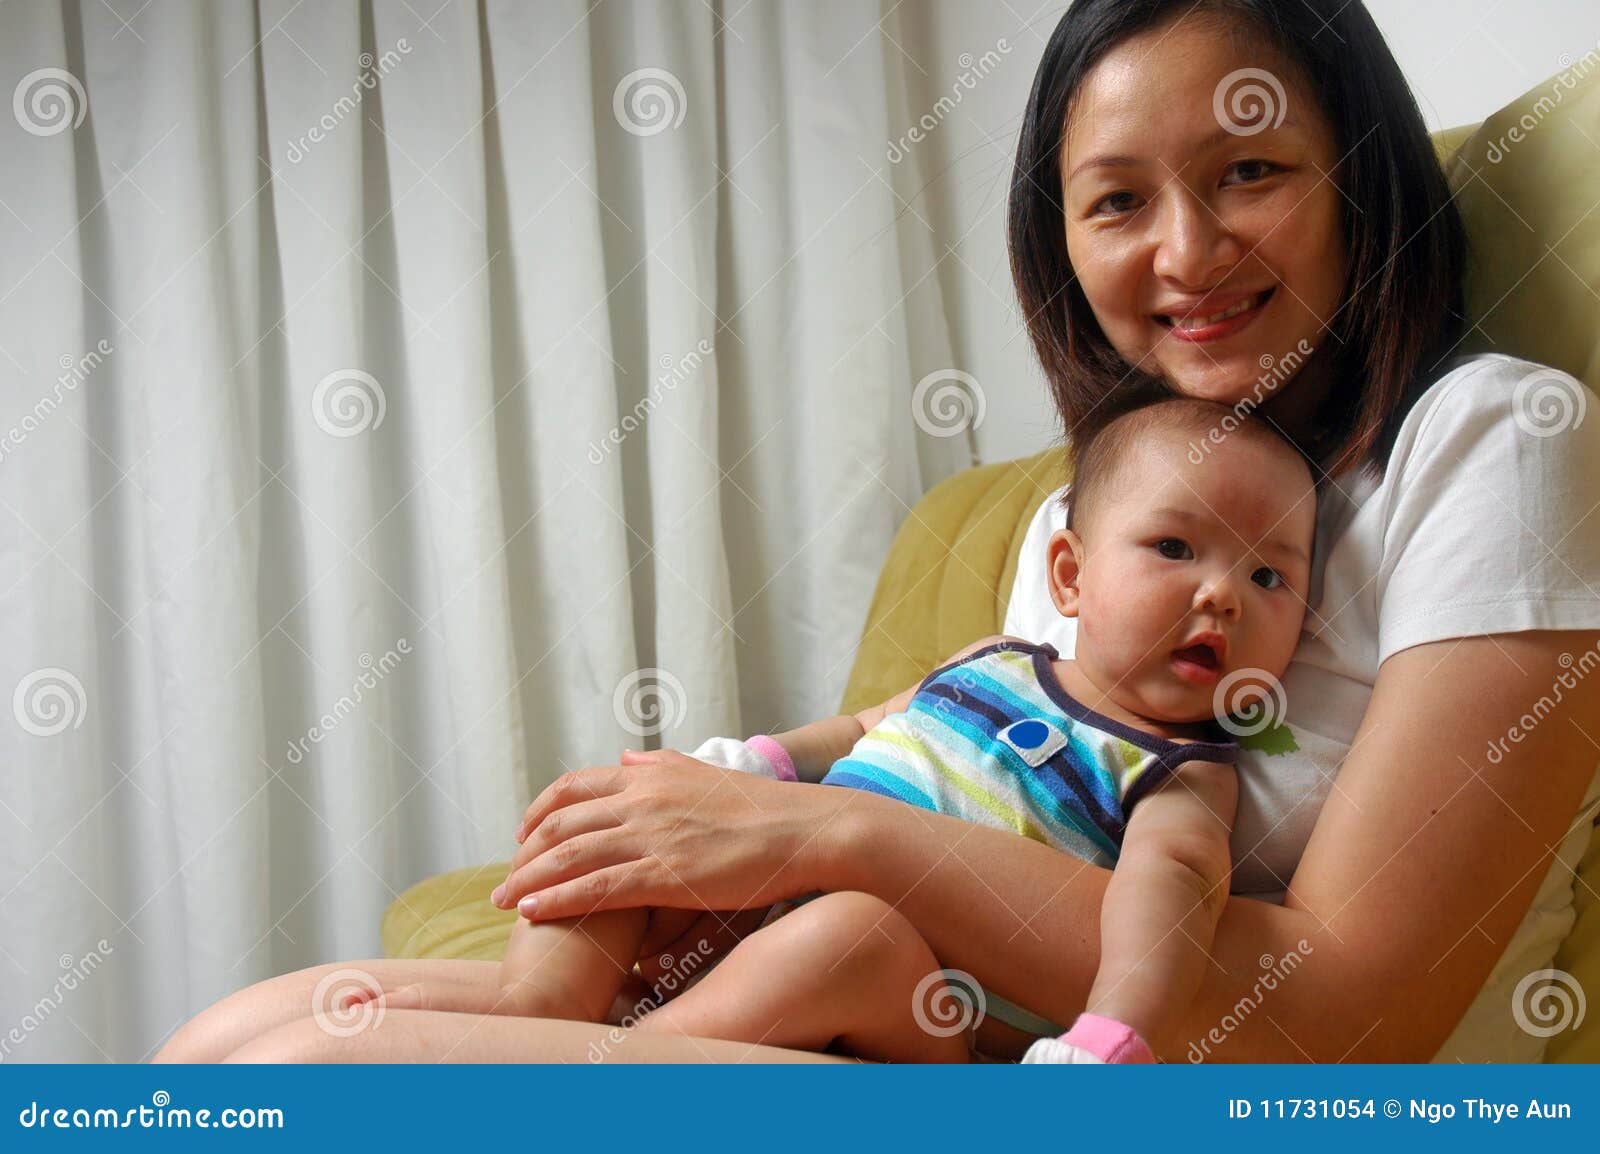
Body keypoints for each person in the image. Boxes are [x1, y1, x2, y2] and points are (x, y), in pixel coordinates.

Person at [156, 0, 1600, 1064]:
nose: (1181, 254)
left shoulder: (1490, 437)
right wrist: (727, 826)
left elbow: (1356, 1011)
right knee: (222, 1041)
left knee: (305, 1076)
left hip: (1128, 1068)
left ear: (1364, 176)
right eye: (1115, 201)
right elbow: (944, 743)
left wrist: (813, 833)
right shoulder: (1089, 510)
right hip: (886, 1000)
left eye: (1250, 171)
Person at [362, 397, 1316, 1063]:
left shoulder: (1181, 772)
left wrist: (1111, 1036)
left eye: (1270, 575)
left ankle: (625, 1067)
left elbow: (1171, 901)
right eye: (1174, 548)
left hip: (920, 1004)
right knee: (627, 829)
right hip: (769, 900)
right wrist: (757, 763)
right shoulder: (996, 658)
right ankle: (535, 1005)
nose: (1221, 594)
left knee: (851, 934)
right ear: (1070, 576)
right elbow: (864, 724)